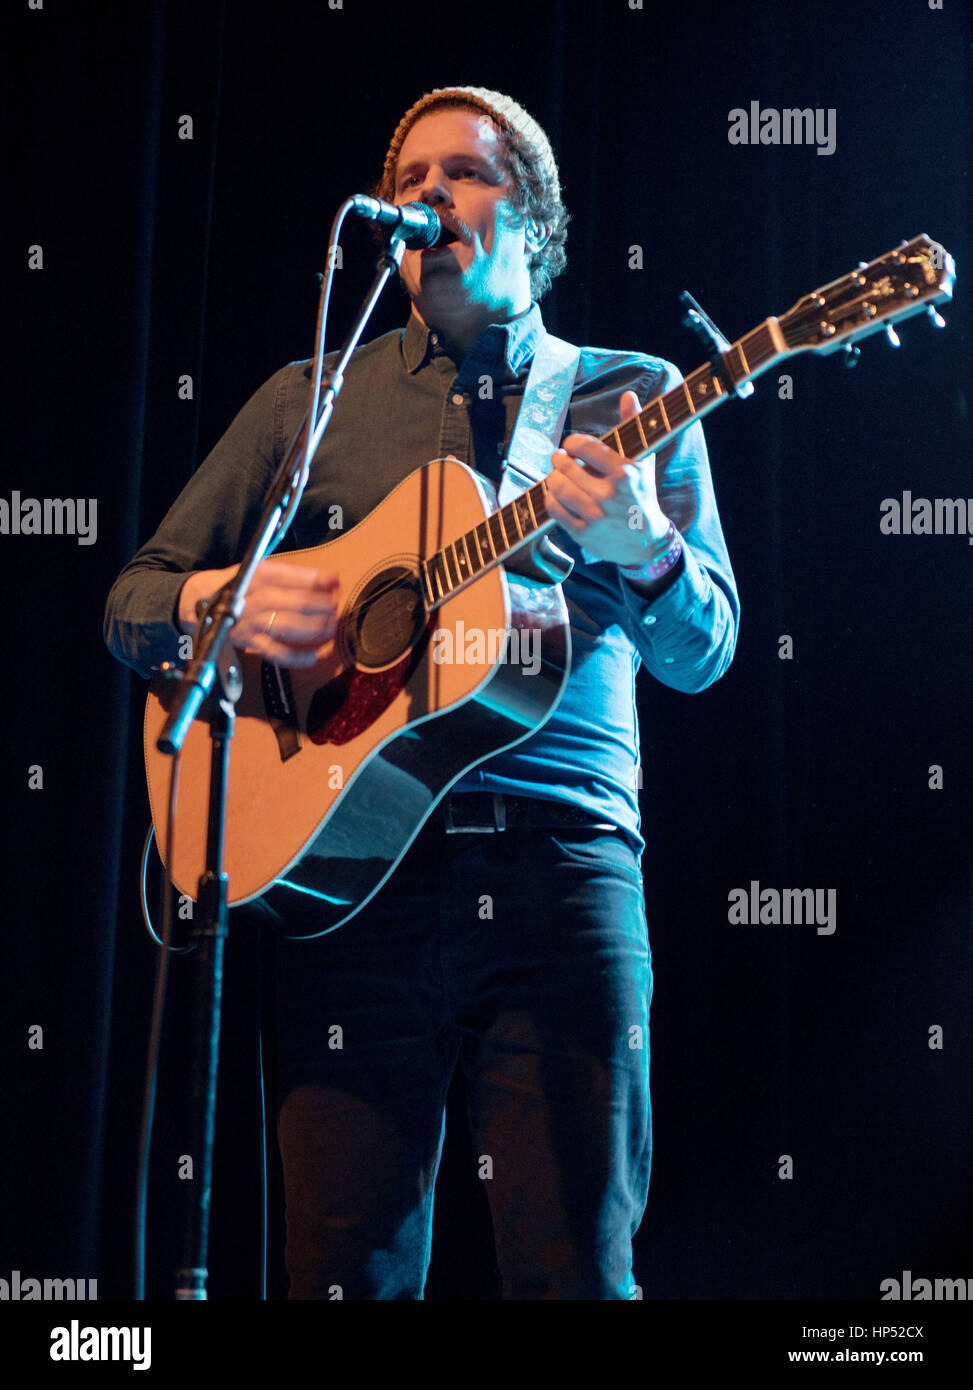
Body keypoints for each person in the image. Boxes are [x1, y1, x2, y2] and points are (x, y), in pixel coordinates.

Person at [105, 86, 739, 1300]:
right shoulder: (310, 399)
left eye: (466, 172)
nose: (429, 197)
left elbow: (706, 650)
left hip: (561, 876)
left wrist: (646, 543)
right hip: (345, 888)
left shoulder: (629, 393)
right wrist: (220, 603)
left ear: (540, 222)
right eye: (410, 178)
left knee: (573, 1273)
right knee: (336, 1275)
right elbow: (135, 596)